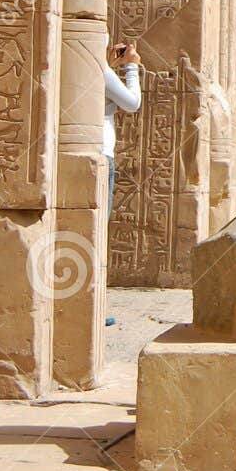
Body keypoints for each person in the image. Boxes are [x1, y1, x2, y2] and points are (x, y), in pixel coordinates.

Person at [103, 38, 142, 327]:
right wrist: (131, 67)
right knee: (95, 231)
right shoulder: (99, 71)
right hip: (101, 155)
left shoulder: (93, 68)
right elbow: (132, 103)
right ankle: (90, 304)